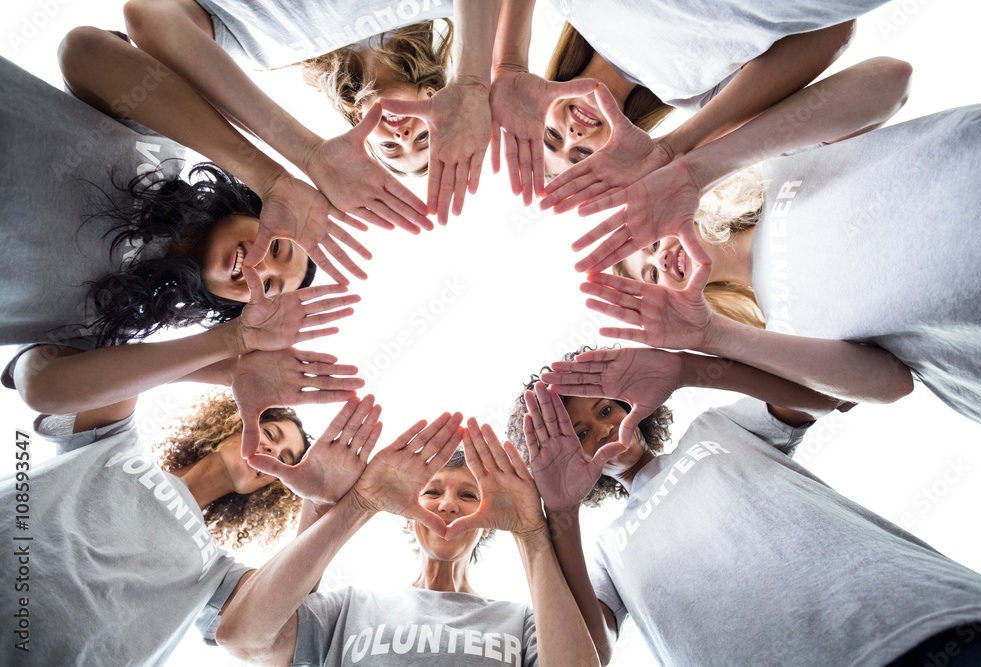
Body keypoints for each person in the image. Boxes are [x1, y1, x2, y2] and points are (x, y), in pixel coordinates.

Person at [569, 57, 981, 431]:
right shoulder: (775, 336)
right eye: (650, 275)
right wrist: (708, 335)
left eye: (647, 244)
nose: (659, 258)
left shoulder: (773, 168)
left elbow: (889, 79)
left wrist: (694, 170)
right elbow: (892, 385)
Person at [506, 346, 981, 665]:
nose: (606, 431)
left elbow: (822, 398)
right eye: (582, 435)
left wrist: (685, 368)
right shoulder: (609, 549)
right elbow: (589, 650)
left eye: (606, 409)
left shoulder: (717, 428)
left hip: (925, 619)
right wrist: (560, 514)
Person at [0, 52, 364, 433]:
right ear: (255, 209)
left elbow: (40, 387)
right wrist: (272, 178)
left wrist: (233, 343)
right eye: (276, 247)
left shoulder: (114, 324)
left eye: (270, 287)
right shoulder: (163, 147)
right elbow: (82, 52)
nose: (261, 266)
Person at [209, 413, 602, 666]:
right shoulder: (347, 609)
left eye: (468, 496)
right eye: (432, 493)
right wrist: (358, 503)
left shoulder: (523, 623)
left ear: (487, 523)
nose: (448, 505)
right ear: (408, 516)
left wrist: (530, 531)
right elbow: (241, 635)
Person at [0, 382, 319, 665]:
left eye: (284, 461)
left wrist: (320, 499)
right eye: (271, 434)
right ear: (239, 422)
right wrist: (233, 366)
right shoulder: (119, 442)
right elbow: (119, 362)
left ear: (269, 487)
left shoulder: (215, 570)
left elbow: (287, 608)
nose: (272, 451)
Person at [119, 0, 502, 223]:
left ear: (358, 126)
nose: (402, 137)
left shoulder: (264, 52)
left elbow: (148, 16)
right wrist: (473, 82)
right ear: (434, 97)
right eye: (423, 137)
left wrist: (306, 153)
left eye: (390, 149)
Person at [490, 0, 881, 201]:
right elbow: (838, 36)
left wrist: (505, 64)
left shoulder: (569, 6)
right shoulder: (699, 99)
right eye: (582, 155)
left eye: (552, 137)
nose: (574, 134)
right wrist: (677, 148)